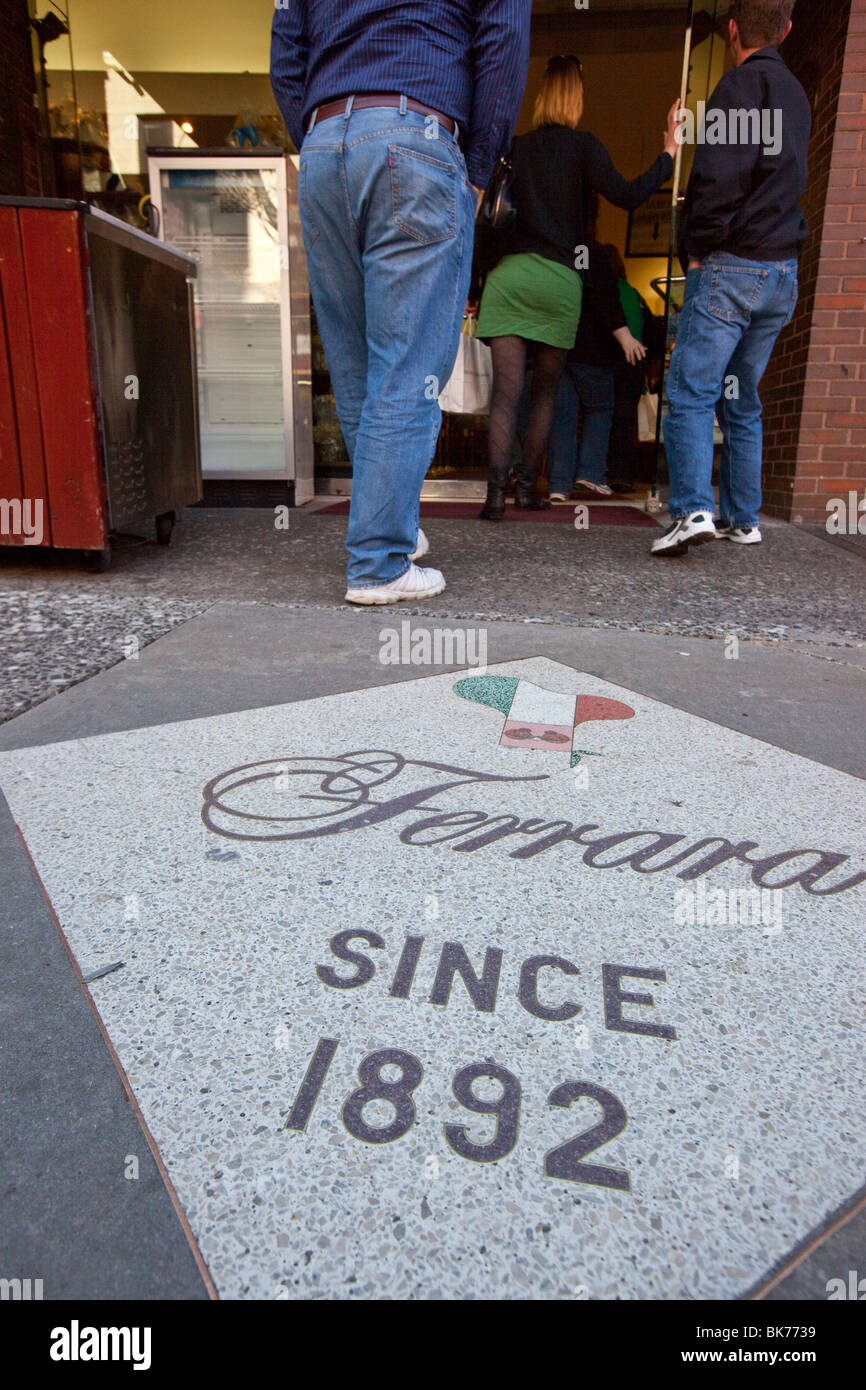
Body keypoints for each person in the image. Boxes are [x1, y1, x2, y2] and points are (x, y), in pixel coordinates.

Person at [271, 2, 531, 603]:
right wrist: (475, 171)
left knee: (359, 366)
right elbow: (504, 42)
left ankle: (392, 529)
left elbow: (286, 54)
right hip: (418, 137)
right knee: (408, 367)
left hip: (323, 144)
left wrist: (321, 139)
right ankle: (379, 564)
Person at [475, 54, 679, 521]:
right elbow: (628, 196)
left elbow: (489, 220)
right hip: (557, 282)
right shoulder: (584, 147)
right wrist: (668, 152)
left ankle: (493, 498)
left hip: (509, 279)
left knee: (507, 394)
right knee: (546, 394)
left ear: (543, 96)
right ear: (578, 99)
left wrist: (476, 282)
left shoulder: (516, 147)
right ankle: (528, 490)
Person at [651, 0, 810, 557]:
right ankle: (744, 519)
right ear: (787, 30)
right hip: (781, 272)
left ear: (735, 29)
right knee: (741, 398)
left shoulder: (739, 88)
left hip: (731, 266)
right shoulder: (797, 96)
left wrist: (696, 248)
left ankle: (692, 510)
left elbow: (718, 176)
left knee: (691, 390)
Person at [546, 241, 646, 501]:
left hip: (557, 346)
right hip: (592, 351)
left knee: (562, 415)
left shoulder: (557, 251)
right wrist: (624, 337)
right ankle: (590, 474)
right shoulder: (593, 255)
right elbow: (605, 300)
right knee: (600, 409)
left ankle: (558, 485)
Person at [601, 243, 661, 495]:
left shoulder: (599, 290)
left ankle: (592, 472)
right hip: (633, 363)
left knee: (599, 417)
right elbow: (654, 334)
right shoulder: (635, 293)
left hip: (604, 361)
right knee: (625, 421)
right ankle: (622, 477)